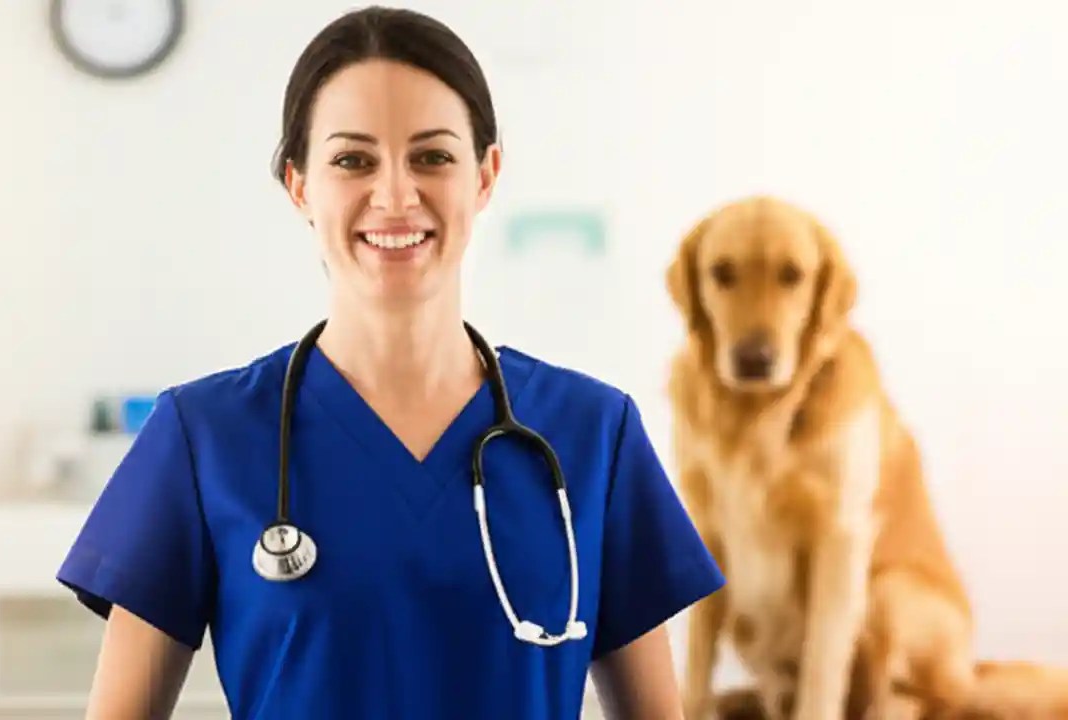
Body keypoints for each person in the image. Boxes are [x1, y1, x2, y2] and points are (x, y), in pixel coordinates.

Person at [55, 6, 725, 719]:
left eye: (433, 156)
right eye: (352, 160)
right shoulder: (203, 437)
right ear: (300, 185)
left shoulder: (594, 434)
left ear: (486, 175)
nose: (397, 195)